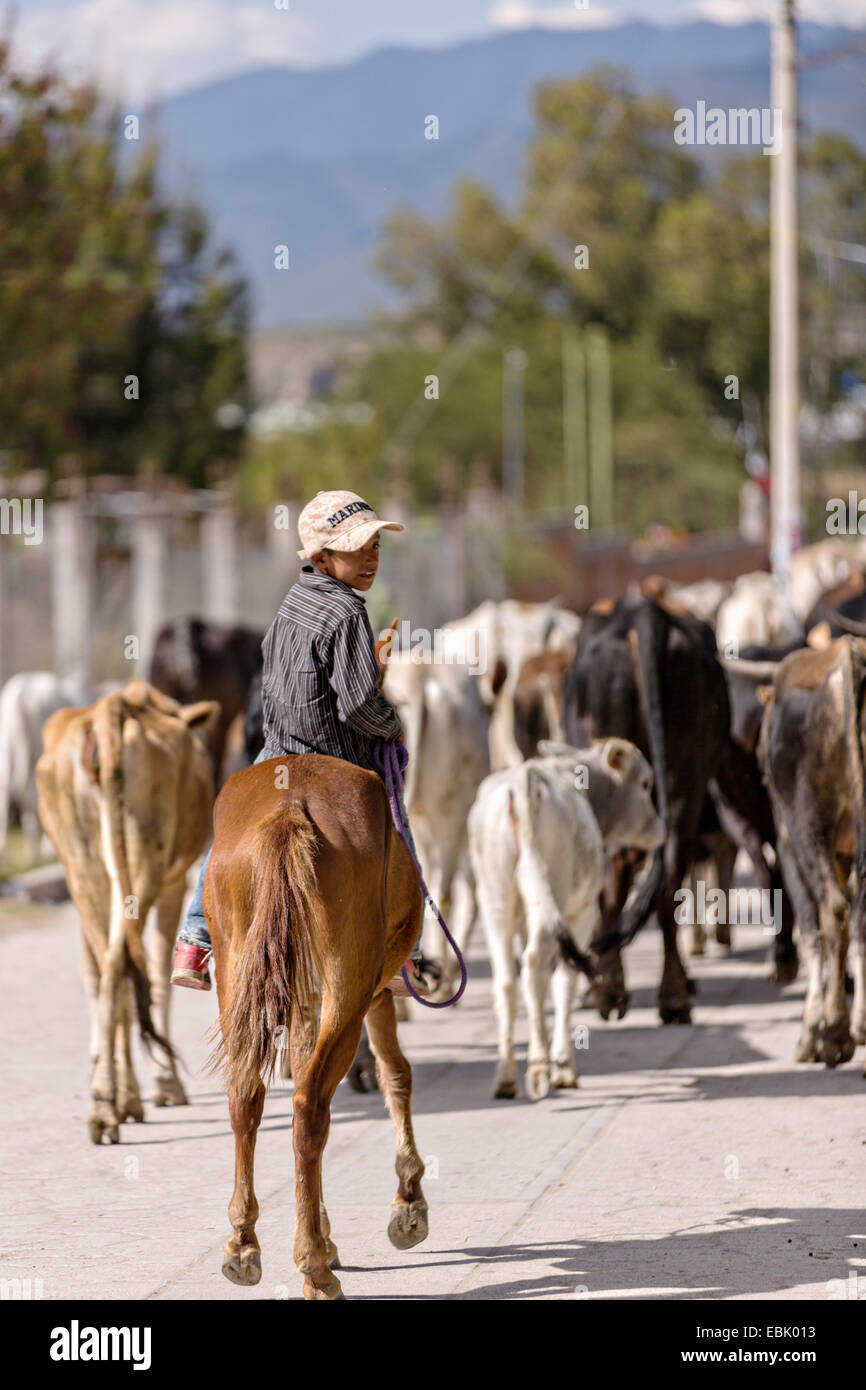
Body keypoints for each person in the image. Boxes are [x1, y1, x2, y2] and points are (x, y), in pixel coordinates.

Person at [170, 488, 437, 997]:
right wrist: (392, 726)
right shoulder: (348, 613)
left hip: (276, 753)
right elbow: (356, 704)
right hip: (336, 756)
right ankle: (408, 954)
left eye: (376, 547)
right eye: (357, 549)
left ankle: (194, 940)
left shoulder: (288, 607)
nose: (371, 559)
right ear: (320, 557)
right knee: (398, 830)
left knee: (227, 829)